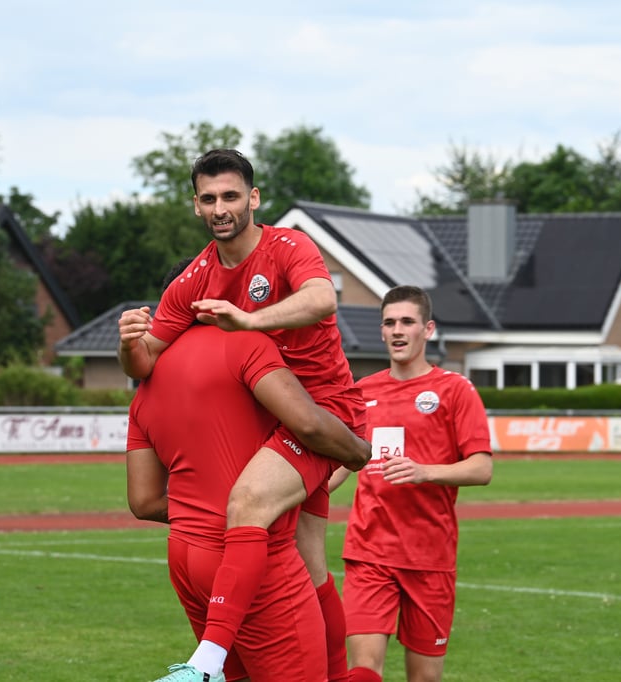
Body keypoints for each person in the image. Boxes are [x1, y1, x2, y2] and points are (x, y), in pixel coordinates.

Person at [119, 149, 366, 681]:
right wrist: (128, 341)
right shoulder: (195, 276)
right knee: (310, 566)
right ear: (196, 206)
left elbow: (322, 299)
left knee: (248, 502)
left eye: (230, 196)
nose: (220, 208)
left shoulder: (287, 246)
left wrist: (250, 320)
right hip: (277, 421)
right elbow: (147, 359)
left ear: (253, 199)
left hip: (323, 413)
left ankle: (205, 662)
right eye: (208, 199)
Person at [330, 285, 493, 682]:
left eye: (407, 321)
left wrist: (425, 471)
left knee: (424, 678)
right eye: (389, 322)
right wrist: (299, 494)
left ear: (428, 329)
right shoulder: (361, 392)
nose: (398, 330)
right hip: (369, 552)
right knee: (362, 672)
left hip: (430, 557)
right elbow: (343, 464)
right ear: (381, 332)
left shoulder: (454, 390)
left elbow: (481, 468)